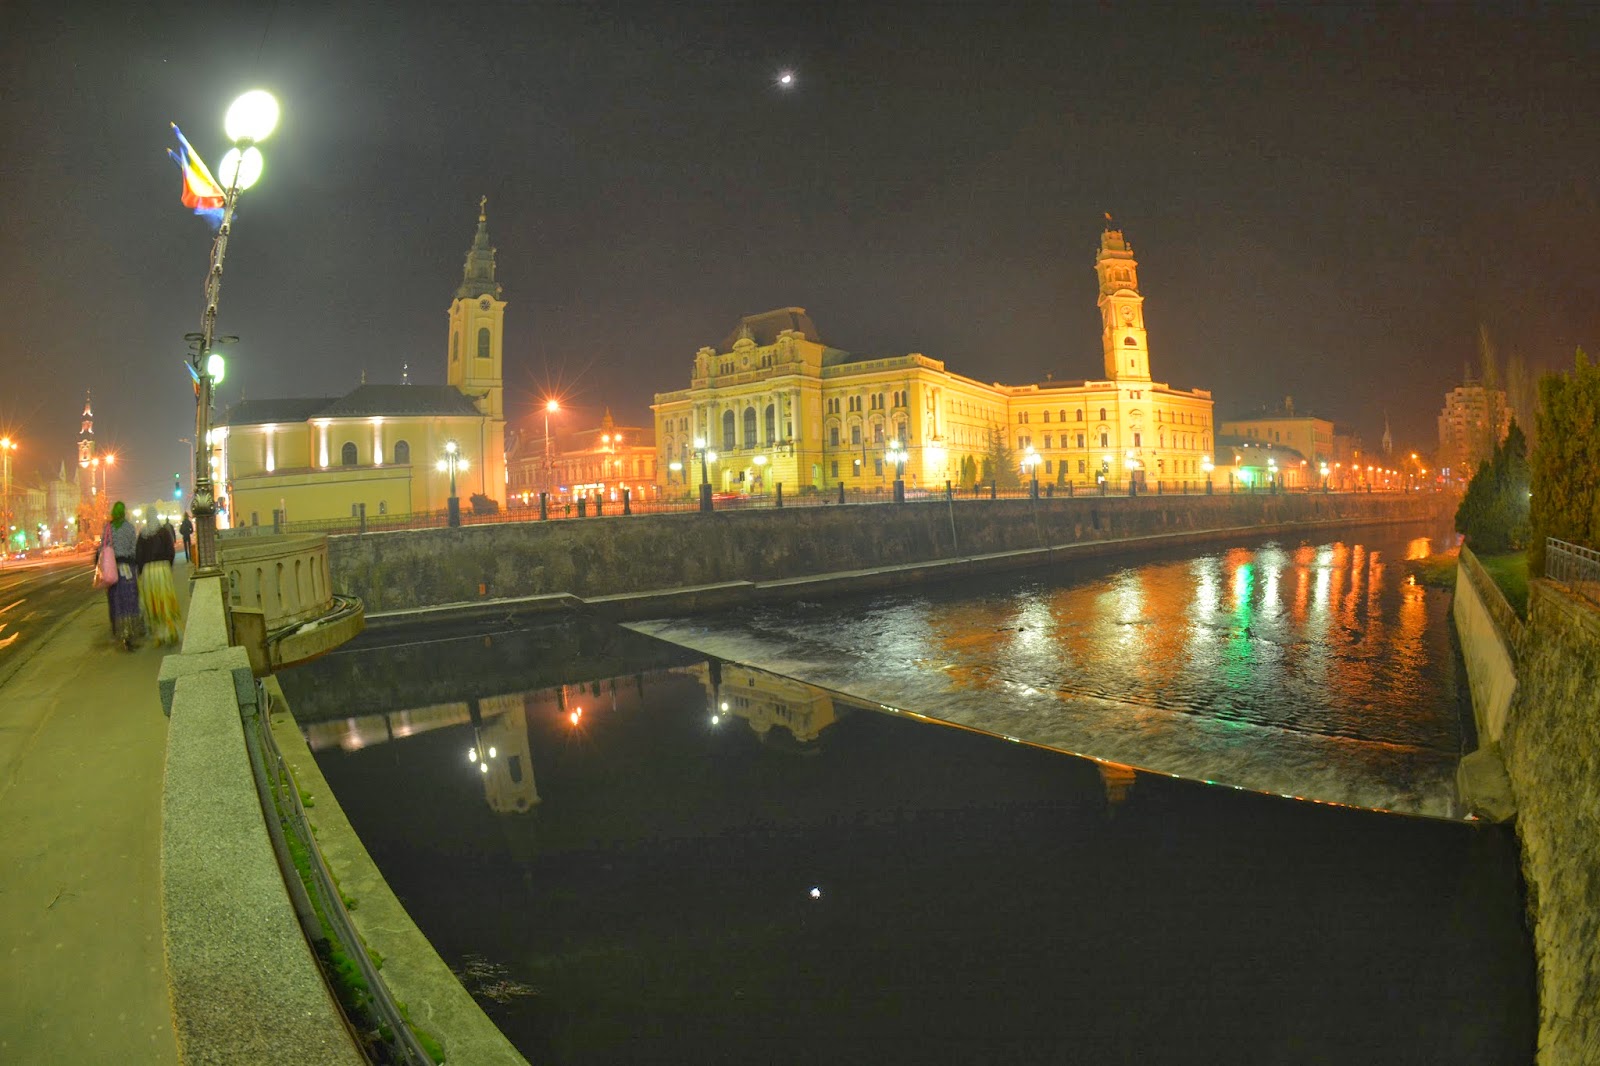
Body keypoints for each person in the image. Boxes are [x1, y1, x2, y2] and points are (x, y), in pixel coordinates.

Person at [137, 510, 182, 645]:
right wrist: (168, 566)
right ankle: (170, 631)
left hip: (148, 572)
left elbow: (138, 555)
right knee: (166, 602)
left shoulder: (143, 534)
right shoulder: (163, 532)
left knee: (153, 603)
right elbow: (170, 552)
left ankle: (158, 634)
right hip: (162, 570)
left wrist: (142, 572)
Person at [104, 502, 141, 650]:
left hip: (113, 571)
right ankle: (130, 634)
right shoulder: (130, 528)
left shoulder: (108, 528)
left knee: (117, 603)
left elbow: (104, 548)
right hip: (128, 570)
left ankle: (120, 633)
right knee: (130, 601)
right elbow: (133, 549)